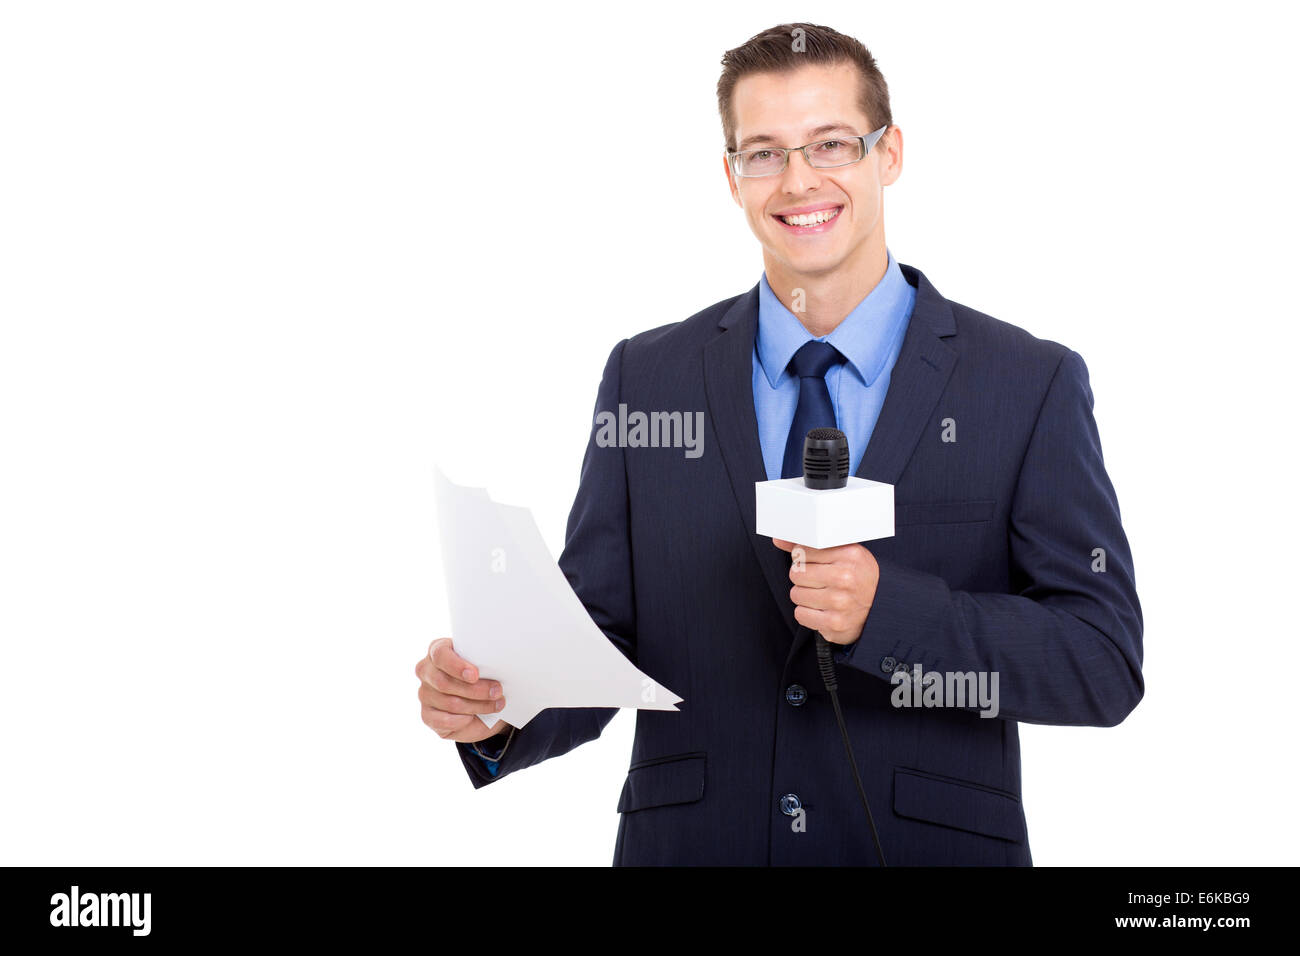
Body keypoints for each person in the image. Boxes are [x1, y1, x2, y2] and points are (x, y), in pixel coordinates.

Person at [415, 21, 1143, 865]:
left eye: (830, 143)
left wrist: (893, 615)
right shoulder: (647, 379)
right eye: (762, 153)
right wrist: (502, 704)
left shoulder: (1026, 381)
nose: (798, 181)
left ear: (889, 153)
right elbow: (600, 639)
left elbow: (1101, 658)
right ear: (731, 176)